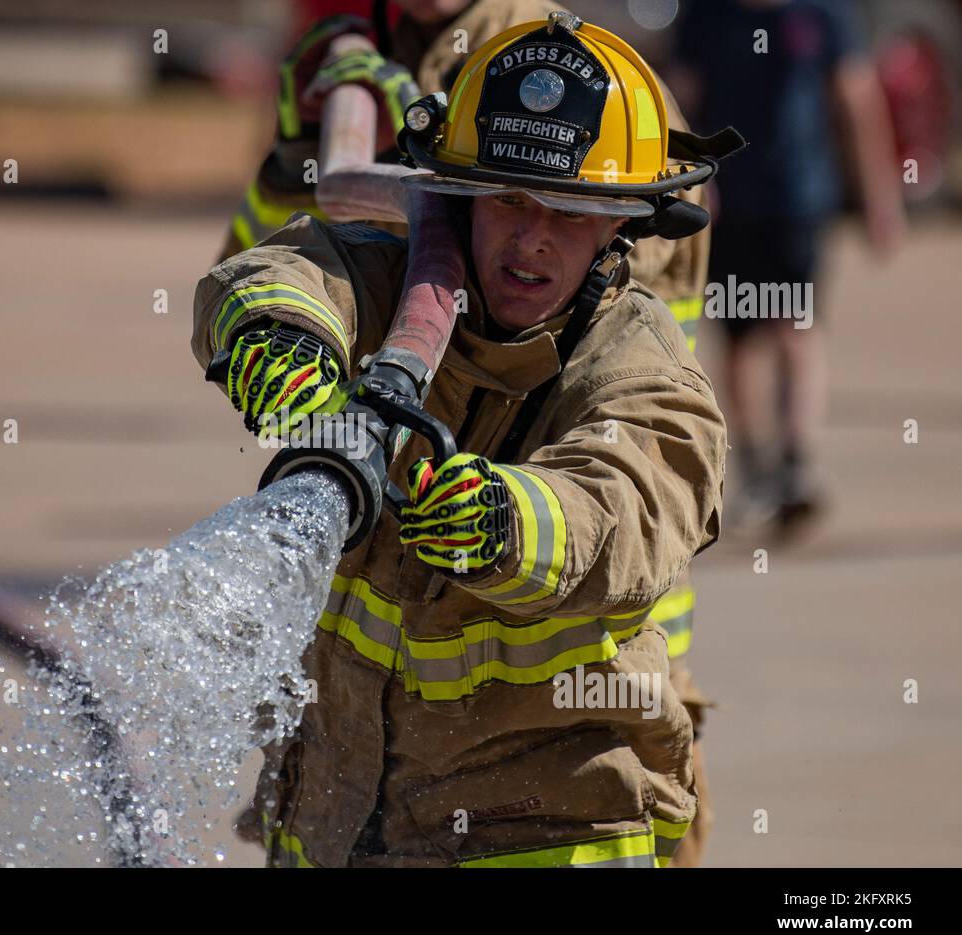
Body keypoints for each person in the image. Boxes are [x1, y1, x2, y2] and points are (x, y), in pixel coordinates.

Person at [193, 13, 740, 867]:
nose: (532, 236)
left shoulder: (636, 355)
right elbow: (284, 264)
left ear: (620, 226)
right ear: (455, 191)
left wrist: (507, 518)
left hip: (550, 813)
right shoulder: (401, 246)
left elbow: (632, 484)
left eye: (570, 211)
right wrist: (277, 332)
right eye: (509, 200)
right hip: (342, 809)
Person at [669, 0, 907, 531]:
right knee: (738, 341)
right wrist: (690, 180)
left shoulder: (822, 14)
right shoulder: (708, 17)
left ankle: (798, 464)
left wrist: (880, 197)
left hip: (799, 204)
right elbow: (681, 103)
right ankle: (758, 468)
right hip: (727, 209)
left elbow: (857, 103)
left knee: (797, 327)